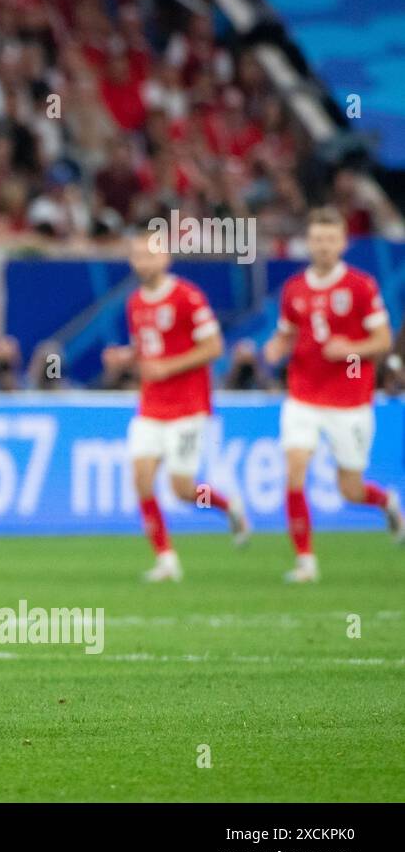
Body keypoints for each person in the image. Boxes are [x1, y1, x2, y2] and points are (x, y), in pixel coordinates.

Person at [262, 207, 402, 582]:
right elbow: (288, 331)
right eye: (317, 239)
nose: (323, 246)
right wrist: (276, 346)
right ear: (308, 242)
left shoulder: (360, 286)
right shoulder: (294, 289)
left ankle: (386, 501)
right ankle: (305, 561)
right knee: (294, 471)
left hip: (350, 400)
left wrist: (350, 349)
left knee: (350, 489)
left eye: (330, 239)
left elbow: (383, 341)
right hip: (303, 395)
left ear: (342, 243)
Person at [123, 230, 249, 583]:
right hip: (150, 406)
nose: (143, 262)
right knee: (142, 480)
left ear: (165, 258)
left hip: (187, 406)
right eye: (137, 256)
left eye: (150, 255)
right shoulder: (135, 302)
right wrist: (126, 357)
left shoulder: (187, 297)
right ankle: (166, 559)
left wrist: (167, 366)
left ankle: (227, 506)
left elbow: (213, 348)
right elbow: (146, 349)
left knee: (182, 489)